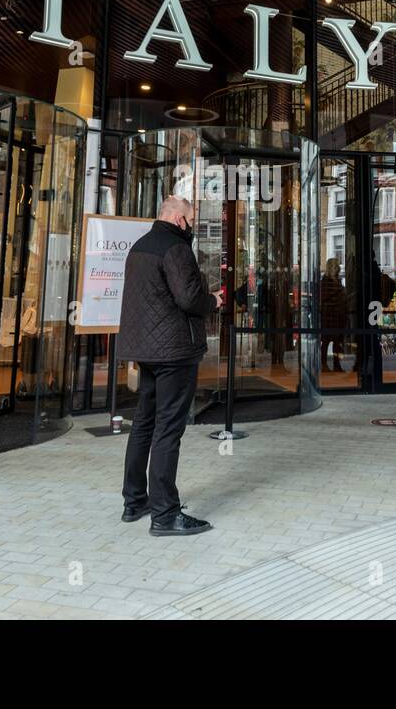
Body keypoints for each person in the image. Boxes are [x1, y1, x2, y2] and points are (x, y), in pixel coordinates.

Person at [118, 196, 224, 536]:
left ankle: (135, 501)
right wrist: (214, 301)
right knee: (168, 429)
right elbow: (189, 298)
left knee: (143, 425)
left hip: (146, 352)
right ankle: (165, 515)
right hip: (174, 353)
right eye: (190, 220)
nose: (191, 227)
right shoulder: (176, 249)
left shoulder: (139, 247)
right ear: (179, 220)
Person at [319, 257, 348, 372]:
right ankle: (324, 365)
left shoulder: (336, 280)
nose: (339, 269)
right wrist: (342, 294)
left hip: (338, 316)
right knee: (326, 342)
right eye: (336, 266)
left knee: (337, 342)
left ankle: (337, 365)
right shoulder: (326, 281)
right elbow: (327, 297)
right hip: (329, 315)